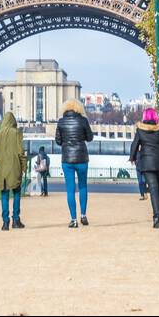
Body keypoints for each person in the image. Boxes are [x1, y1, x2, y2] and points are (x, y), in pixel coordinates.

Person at [54, 98, 93, 228]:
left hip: (67, 159)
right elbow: (90, 138)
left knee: (70, 190)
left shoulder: (61, 122)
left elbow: (58, 141)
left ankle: (73, 219)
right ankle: (83, 215)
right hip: (82, 157)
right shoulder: (83, 121)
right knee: (83, 187)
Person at [0, 111, 27, 230]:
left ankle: (5, 222)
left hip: (2, 170)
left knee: (4, 195)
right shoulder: (16, 133)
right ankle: (16, 220)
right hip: (15, 168)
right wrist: (24, 167)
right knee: (16, 193)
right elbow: (21, 152)